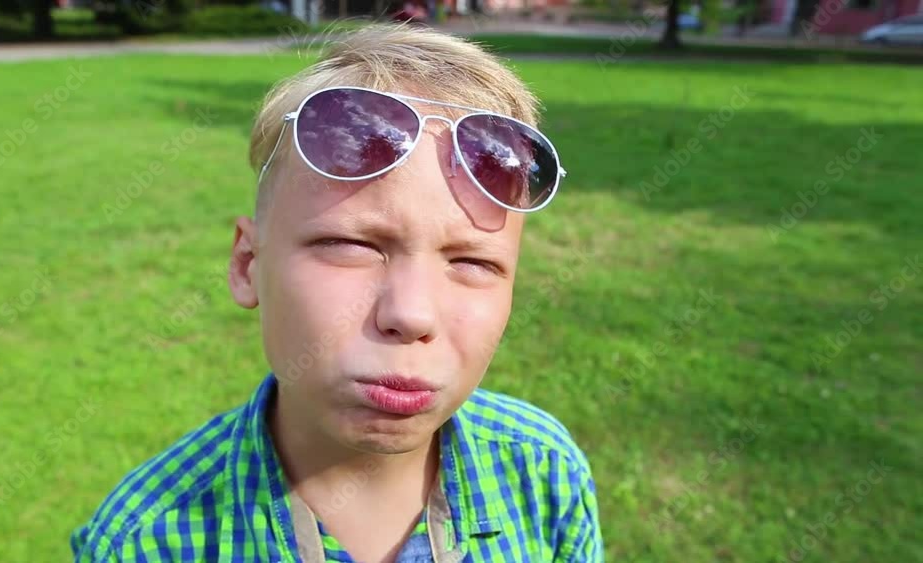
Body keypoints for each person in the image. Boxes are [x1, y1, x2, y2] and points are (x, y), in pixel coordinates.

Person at [71, 24, 603, 563]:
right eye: (350, 245)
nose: (411, 313)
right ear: (247, 264)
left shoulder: (544, 474)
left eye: (473, 262)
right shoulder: (140, 541)